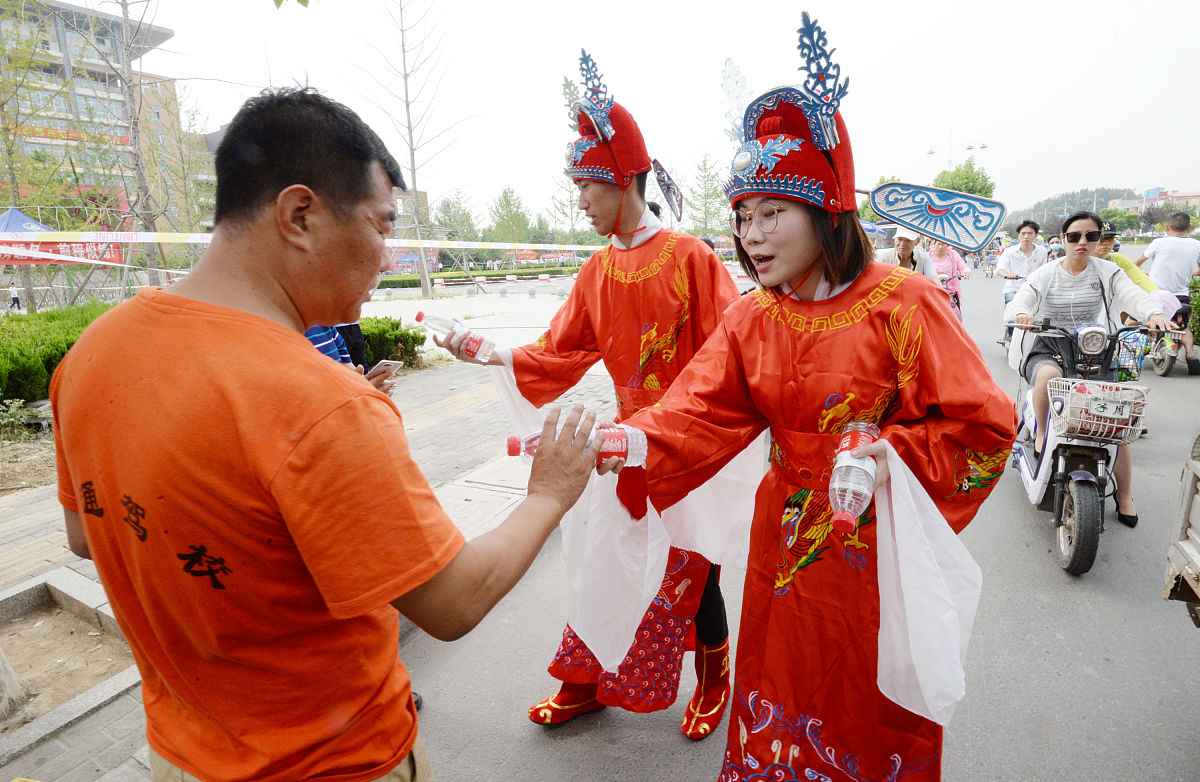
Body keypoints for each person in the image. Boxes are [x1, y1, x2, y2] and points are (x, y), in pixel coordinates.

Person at [51, 88, 603, 782]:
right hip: (335, 762)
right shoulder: (320, 403)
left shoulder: (92, 355)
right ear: (301, 215)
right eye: (383, 225)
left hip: (177, 754)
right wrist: (549, 493)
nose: (388, 257)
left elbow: (84, 533)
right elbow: (454, 600)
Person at [619, 15, 1017, 779]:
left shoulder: (905, 306)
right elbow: (699, 409)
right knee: (780, 683)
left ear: (827, 213)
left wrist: (889, 458)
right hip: (783, 540)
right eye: (743, 215)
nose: (752, 234)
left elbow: (985, 427)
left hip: (871, 542)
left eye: (773, 213)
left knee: (865, 696)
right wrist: (629, 441)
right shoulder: (753, 315)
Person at [438, 53, 740, 741]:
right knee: (603, 560)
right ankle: (586, 681)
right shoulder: (597, 271)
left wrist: (684, 430)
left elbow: (730, 355)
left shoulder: (691, 258)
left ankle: (716, 677)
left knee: (691, 569)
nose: (578, 200)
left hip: (689, 440)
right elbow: (558, 352)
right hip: (620, 444)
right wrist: (490, 351)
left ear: (620, 180)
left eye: (584, 186)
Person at [1005, 211, 1169, 474]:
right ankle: (1042, 433)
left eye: (1091, 236)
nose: (1082, 241)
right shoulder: (1046, 273)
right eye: (1074, 236)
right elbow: (1022, 300)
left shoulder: (1108, 271)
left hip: (1094, 346)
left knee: (1117, 414)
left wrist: (1154, 313)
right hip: (1051, 345)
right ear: (1063, 239)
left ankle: (1125, 496)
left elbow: (1132, 294)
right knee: (1048, 376)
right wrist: (1021, 314)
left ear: (1097, 239)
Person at [1133, 211, 1200, 374]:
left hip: (1155, 294)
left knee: (1131, 322)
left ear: (1168, 227)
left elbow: (1137, 263)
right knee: (1183, 329)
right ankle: (1191, 356)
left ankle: (1132, 351)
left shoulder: (1158, 242)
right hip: (1181, 297)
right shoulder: (1196, 244)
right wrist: (1190, 272)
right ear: (1189, 227)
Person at [994, 219, 1048, 345]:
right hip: (1013, 288)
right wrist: (1007, 274)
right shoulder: (1009, 251)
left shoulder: (1042, 251)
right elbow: (999, 269)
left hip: (1034, 289)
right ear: (1019, 235)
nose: (1026, 236)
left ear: (1035, 235)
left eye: (1030, 233)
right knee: (1013, 306)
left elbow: (1045, 270)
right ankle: (1010, 334)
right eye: (1023, 233)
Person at [928, 239, 971, 320]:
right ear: (934, 244)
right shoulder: (927, 256)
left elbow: (964, 268)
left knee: (956, 318)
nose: (940, 247)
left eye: (943, 244)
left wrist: (965, 272)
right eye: (938, 244)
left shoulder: (953, 255)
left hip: (950, 293)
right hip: (933, 293)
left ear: (947, 245)